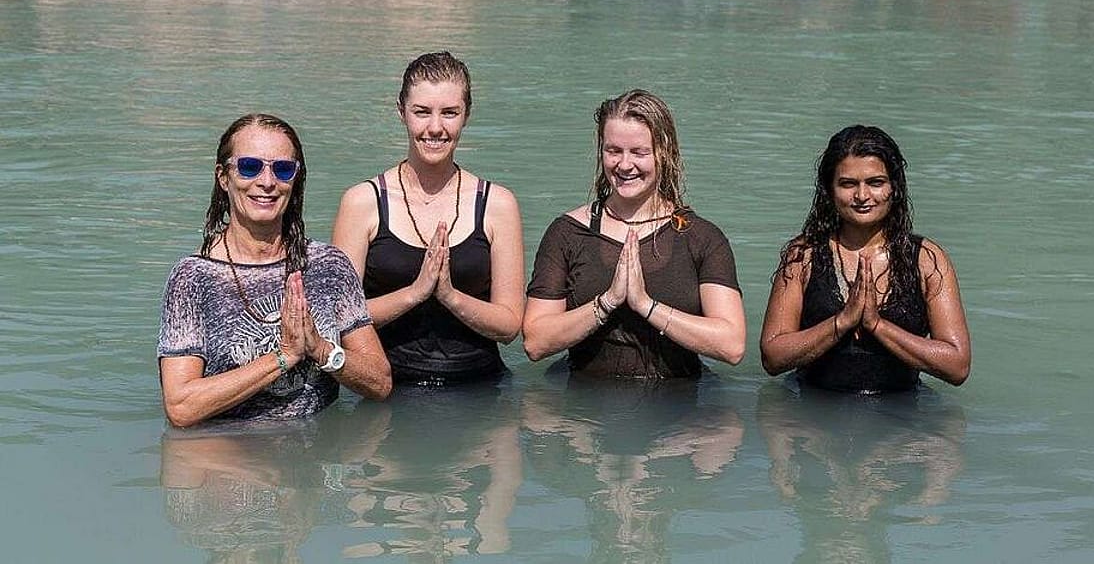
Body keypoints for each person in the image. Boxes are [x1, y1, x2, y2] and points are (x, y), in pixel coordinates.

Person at [158, 114, 391, 427]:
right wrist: (283, 357)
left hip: (317, 455)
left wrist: (321, 349)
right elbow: (181, 407)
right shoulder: (193, 278)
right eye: (249, 166)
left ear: (295, 181)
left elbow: (380, 382)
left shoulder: (328, 266)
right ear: (223, 177)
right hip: (226, 457)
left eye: (282, 169)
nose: (267, 182)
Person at [332, 52, 525, 385]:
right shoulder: (362, 202)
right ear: (401, 112)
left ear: (466, 115)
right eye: (422, 112)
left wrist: (450, 296)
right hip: (388, 388)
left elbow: (509, 325)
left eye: (449, 113)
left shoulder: (497, 203)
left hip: (482, 388)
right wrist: (415, 293)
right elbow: (336, 318)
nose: (435, 128)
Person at [523, 90, 745, 378]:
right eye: (613, 151)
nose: (624, 165)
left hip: (680, 407)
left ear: (665, 154)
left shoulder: (701, 238)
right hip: (584, 411)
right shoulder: (567, 233)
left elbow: (732, 345)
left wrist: (645, 305)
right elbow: (536, 342)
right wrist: (607, 302)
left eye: (639, 152)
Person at [759, 126, 970, 393]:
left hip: (903, 415)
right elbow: (773, 356)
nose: (862, 196)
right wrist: (842, 322)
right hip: (813, 411)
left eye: (875, 183)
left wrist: (877, 325)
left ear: (894, 187)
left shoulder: (927, 260)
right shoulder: (803, 255)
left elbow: (957, 365)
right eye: (848, 184)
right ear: (829, 189)